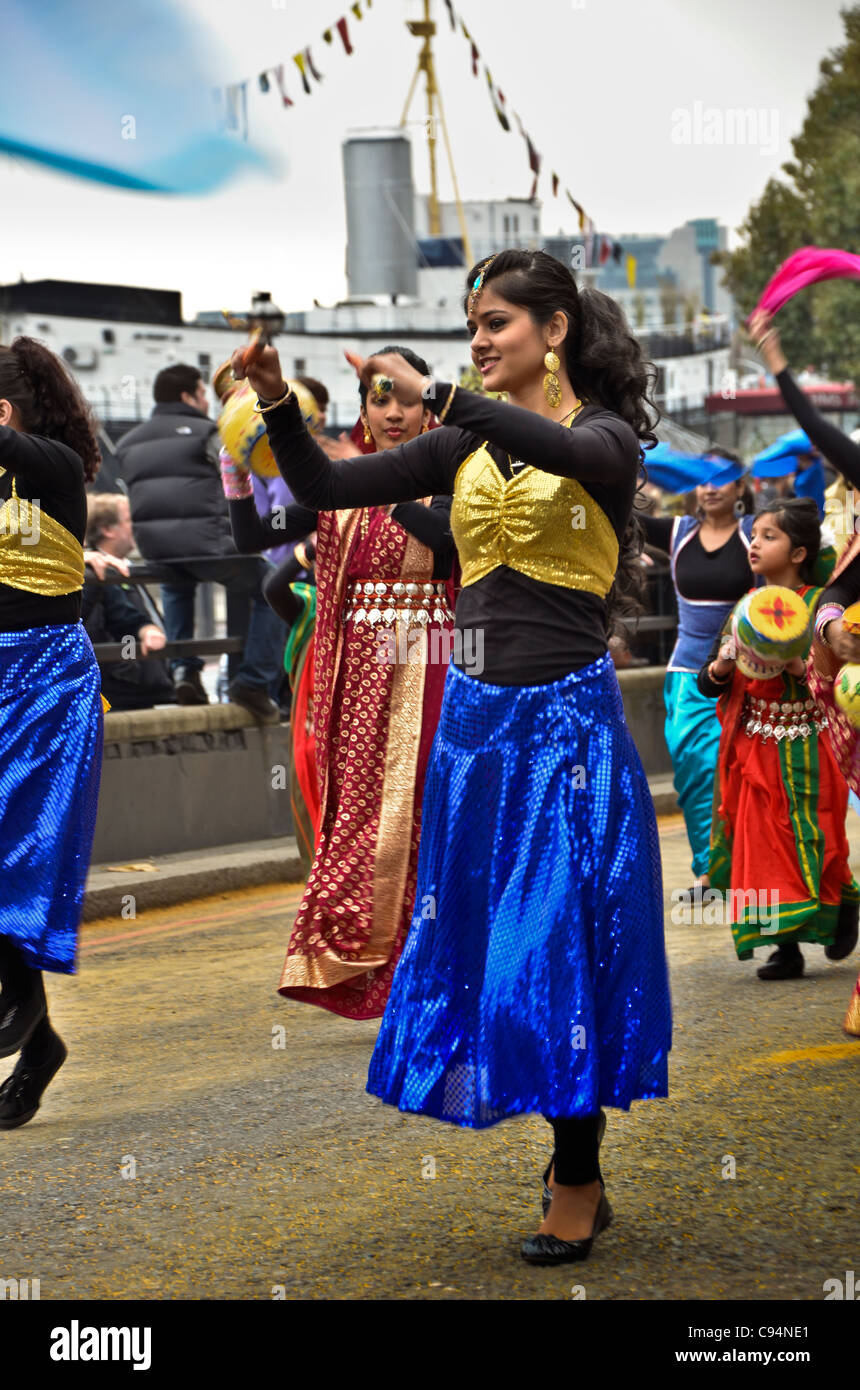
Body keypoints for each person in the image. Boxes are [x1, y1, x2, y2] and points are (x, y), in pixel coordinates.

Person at [231, 249, 672, 1266]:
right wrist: (278, 405)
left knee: (557, 946)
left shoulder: (600, 438)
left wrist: (442, 394)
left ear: (552, 330)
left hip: (564, 728)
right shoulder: (457, 452)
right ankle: (572, 1162)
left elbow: (567, 455)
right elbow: (323, 485)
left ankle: (574, 1172)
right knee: (490, 951)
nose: (477, 337)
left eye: (496, 322)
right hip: (475, 736)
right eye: (471, 323)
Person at [224, 346, 457, 1018]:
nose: (390, 413)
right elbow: (253, 538)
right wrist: (235, 466)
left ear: (427, 406)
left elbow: (449, 543)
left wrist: (384, 483)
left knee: (417, 819)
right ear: (362, 412)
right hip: (350, 677)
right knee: (353, 822)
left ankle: (431, 969)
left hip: (428, 663)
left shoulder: (452, 478)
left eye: (404, 400)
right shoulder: (340, 488)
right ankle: (364, 965)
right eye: (377, 401)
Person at [0, 337, 105, 1127]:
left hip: (42, 683)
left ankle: (24, 1024)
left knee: (21, 854)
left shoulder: (56, 471)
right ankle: (35, 1035)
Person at [698, 498, 858, 980]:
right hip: (755, 748)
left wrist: (801, 665)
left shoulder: (822, 607)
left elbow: (841, 676)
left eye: (770, 537)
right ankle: (783, 947)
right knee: (761, 846)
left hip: (813, 744)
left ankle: (843, 906)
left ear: (799, 553)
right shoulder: (746, 610)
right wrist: (723, 666)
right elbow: (708, 686)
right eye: (756, 534)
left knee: (819, 841)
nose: (756, 544)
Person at [115, 363, 282, 720]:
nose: (207, 400)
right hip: (210, 544)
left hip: (157, 549)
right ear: (187, 396)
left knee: (177, 586)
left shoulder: (128, 442)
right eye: (202, 393)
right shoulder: (209, 432)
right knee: (273, 587)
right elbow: (241, 464)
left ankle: (184, 671)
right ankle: (252, 681)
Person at [639, 456, 754, 888]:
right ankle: (710, 870)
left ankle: (747, 863)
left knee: (747, 772)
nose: (711, 488)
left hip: (744, 673)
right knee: (695, 770)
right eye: (701, 479)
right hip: (688, 677)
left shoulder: (754, 533)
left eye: (722, 480)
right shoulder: (678, 531)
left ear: (740, 488)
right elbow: (616, 511)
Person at [82, 493, 174, 710]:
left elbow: (124, 615)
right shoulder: (92, 570)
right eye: (130, 519)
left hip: (138, 687)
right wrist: (128, 668)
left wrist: (145, 629)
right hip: (118, 689)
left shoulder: (112, 567)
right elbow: (84, 620)